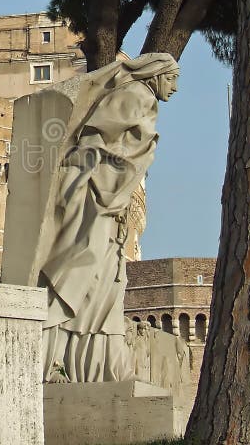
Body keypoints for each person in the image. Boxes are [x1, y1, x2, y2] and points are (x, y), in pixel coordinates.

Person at [40, 52, 179, 382]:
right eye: (172, 79)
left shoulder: (144, 100)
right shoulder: (136, 95)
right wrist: (115, 177)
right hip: (96, 198)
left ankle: (99, 366)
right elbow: (92, 141)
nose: (175, 88)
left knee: (108, 285)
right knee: (79, 271)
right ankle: (52, 352)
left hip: (111, 201)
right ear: (156, 74)